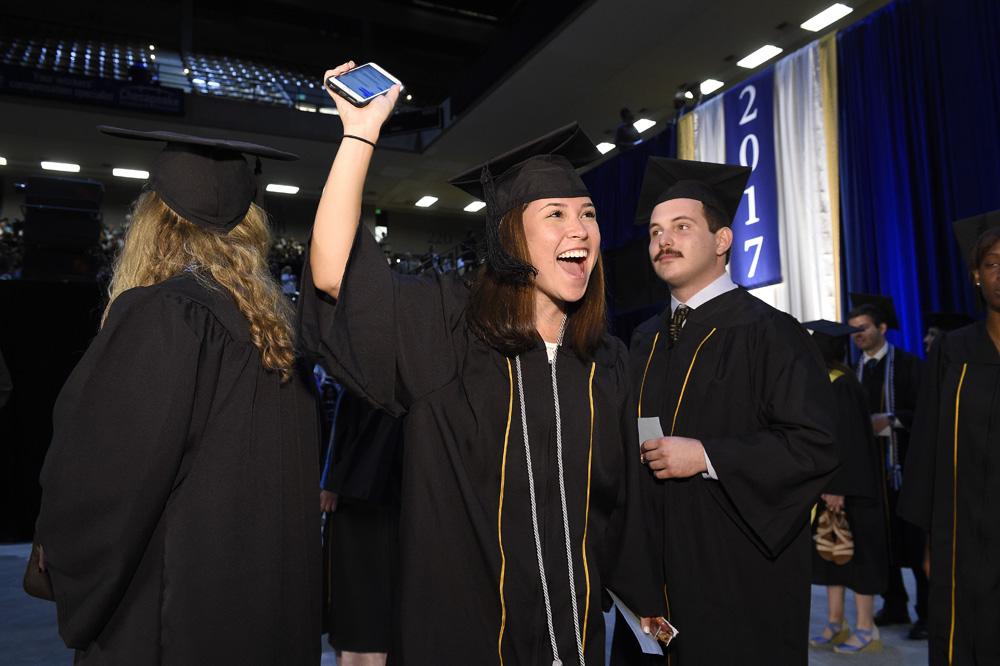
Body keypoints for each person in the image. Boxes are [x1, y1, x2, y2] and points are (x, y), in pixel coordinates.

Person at [299, 61, 662, 664]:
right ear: (510, 238)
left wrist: (651, 602)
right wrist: (359, 135)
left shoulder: (606, 363)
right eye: (555, 214)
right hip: (463, 641)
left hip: (573, 641)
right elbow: (334, 274)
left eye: (588, 214)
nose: (581, 229)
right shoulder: (448, 332)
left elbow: (620, 512)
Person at [34, 127, 321, 665]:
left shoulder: (165, 314)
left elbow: (107, 482)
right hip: (254, 621)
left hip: (170, 617)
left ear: (150, 224)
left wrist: (62, 546)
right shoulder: (277, 334)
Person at [628, 157, 838, 665]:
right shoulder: (644, 339)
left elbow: (815, 445)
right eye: (656, 231)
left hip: (737, 573)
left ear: (722, 240)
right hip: (653, 572)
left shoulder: (772, 332)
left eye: (681, 227)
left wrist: (706, 456)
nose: (664, 241)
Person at [898, 217, 1000, 666]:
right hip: (963, 537)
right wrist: (927, 540)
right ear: (976, 276)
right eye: (992, 263)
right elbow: (926, 447)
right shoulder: (953, 352)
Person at [804, 320, 889, 654]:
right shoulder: (826, 381)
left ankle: (867, 629)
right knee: (831, 556)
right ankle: (835, 623)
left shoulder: (843, 384)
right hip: (830, 487)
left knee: (857, 559)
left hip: (851, 490)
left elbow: (850, 441)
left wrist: (838, 487)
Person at [847, 293, 928, 638]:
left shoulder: (909, 366)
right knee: (881, 542)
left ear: (882, 327)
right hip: (871, 473)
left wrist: (892, 421)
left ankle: (927, 613)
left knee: (914, 542)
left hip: (904, 469)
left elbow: (926, 413)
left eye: (863, 329)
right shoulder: (854, 372)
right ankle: (894, 603)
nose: (857, 337)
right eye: (852, 332)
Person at [320, 385, 402, 666]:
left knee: (365, 618)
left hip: (367, 502)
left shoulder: (375, 378)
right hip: (358, 499)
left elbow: (380, 432)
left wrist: (336, 482)